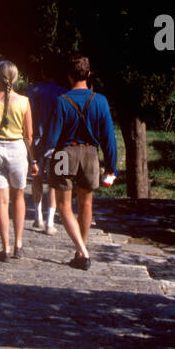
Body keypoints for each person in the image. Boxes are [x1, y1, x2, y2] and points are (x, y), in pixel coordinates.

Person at [42, 55, 117, 270]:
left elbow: (52, 139)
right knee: (86, 203)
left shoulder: (62, 101)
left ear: (68, 75)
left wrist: (41, 160)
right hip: (90, 154)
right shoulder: (100, 101)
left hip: (64, 153)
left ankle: (82, 251)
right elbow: (109, 138)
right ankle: (80, 249)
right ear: (89, 74)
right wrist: (111, 167)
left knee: (64, 205)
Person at [0, 60, 37, 262]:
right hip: (17, 149)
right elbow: (29, 135)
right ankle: (19, 244)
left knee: (1, 201)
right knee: (19, 197)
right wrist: (33, 160)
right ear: (16, 78)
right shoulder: (23, 102)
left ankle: (5, 247)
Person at [27, 74, 66, 234]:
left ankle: (38, 217)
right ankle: (50, 222)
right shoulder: (64, 93)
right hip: (58, 143)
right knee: (54, 182)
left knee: (36, 178)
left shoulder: (32, 91)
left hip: (36, 140)